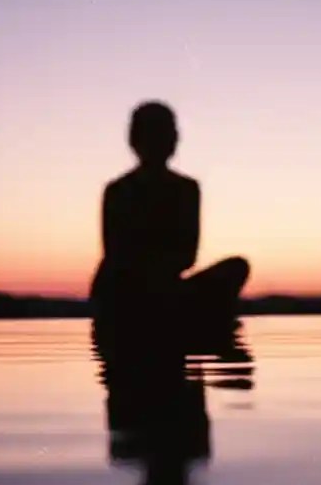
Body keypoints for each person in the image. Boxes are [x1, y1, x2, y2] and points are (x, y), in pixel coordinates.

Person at [90, 101, 250, 328]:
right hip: (124, 292)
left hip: (167, 288)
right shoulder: (118, 190)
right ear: (135, 140)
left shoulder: (187, 189)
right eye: (155, 134)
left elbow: (188, 256)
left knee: (236, 267)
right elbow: (115, 254)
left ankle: (186, 312)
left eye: (169, 133)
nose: (165, 140)